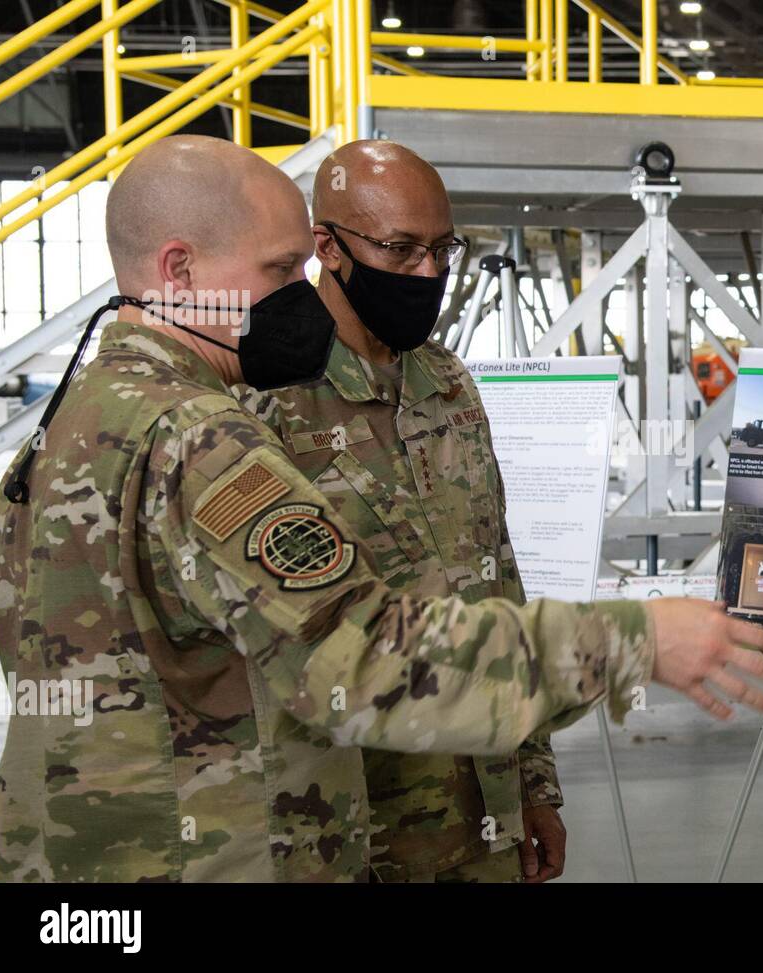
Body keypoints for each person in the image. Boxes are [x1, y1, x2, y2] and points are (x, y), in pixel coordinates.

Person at [0, 135, 763, 883]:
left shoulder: (74, 420)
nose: (298, 296)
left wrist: (526, 782)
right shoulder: (200, 436)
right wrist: (636, 639)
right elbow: (360, 652)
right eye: (279, 272)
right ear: (179, 270)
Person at [236, 141, 560, 882]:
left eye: (443, 249)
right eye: (402, 249)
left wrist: (535, 785)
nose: (429, 273)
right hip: (352, 830)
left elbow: (500, 585)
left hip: (484, 814)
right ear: (329, 247)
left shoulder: (447, 382)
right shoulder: (265, 397)